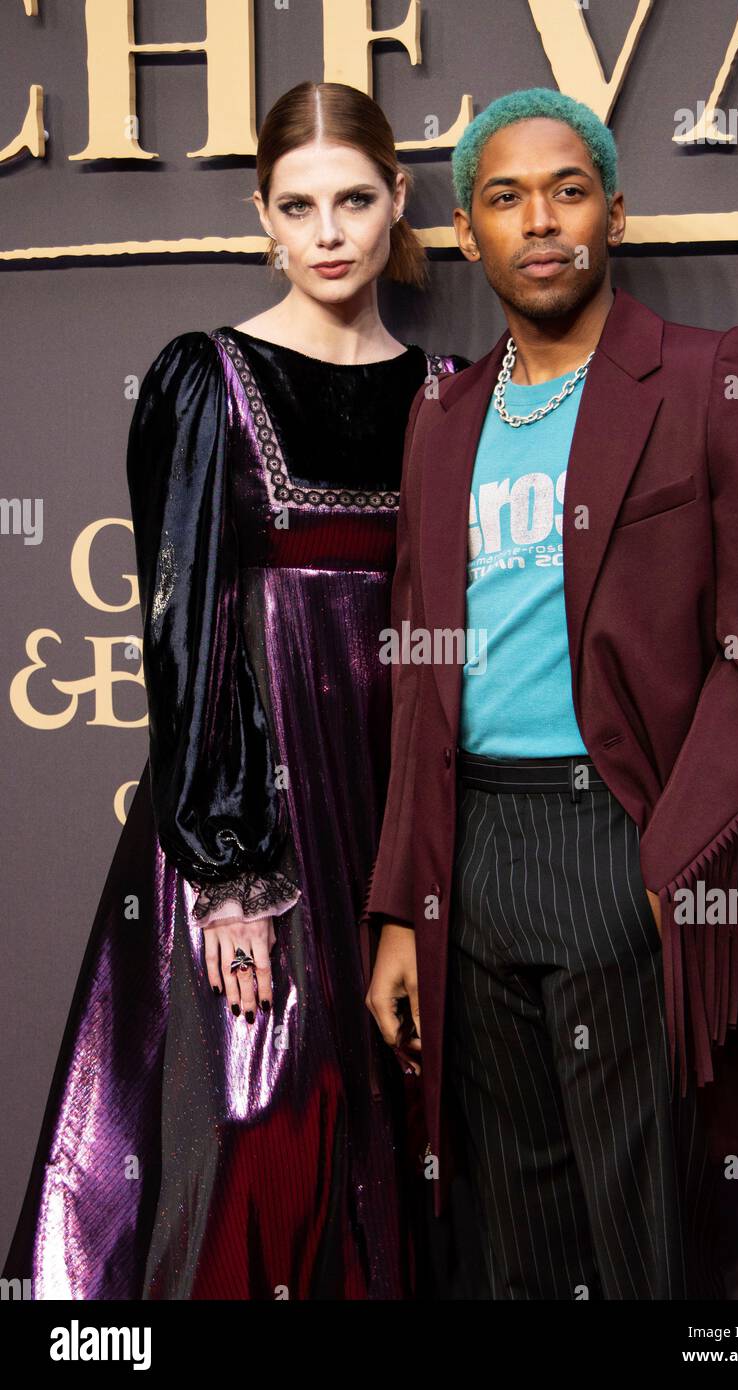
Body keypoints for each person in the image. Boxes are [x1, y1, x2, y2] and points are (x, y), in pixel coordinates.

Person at [363, 87, 738, 1300]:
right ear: (469, 237)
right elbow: (420, 679)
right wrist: (398, 902)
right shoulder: (443, 415)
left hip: (620, 843)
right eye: (504, 198)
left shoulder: (710, 380)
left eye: (568, 190)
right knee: (515, 1239)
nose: (540, 221)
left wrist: (666, 869)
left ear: (616, 215)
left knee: (640, 1239)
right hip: (473, 853)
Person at [3, 80, 469, 1300]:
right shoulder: (207, 380)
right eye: (300, 205)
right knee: (267, 1126)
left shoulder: (451, 393)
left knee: (412, 1131)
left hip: (399, 799)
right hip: (257, 810)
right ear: (261, 213)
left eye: (355, 200)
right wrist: (230, 871)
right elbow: (186, 629)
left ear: (397, 202)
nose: (329, 233)